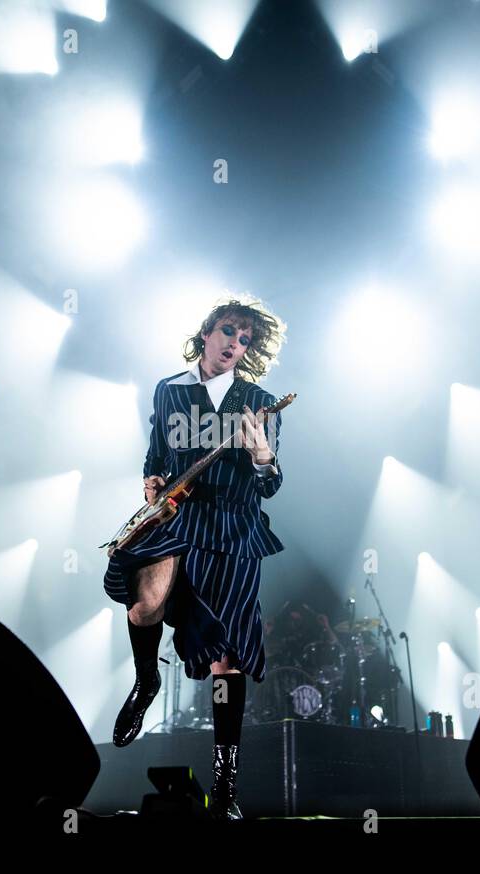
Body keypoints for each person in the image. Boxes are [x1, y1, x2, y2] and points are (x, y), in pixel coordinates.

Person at [103, 296, 287, 820]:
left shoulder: (258, 401)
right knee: (145, 606)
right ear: (206, 333)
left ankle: (226, 787)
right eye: (228, 331)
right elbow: (156, 451)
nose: (235, 343)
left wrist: (262, 457)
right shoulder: (170, 390)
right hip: (178, 518)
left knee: (225, 658)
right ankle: (147, 681)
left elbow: (271, 486)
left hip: (232, 527)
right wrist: (151, 478)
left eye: (245, 339)